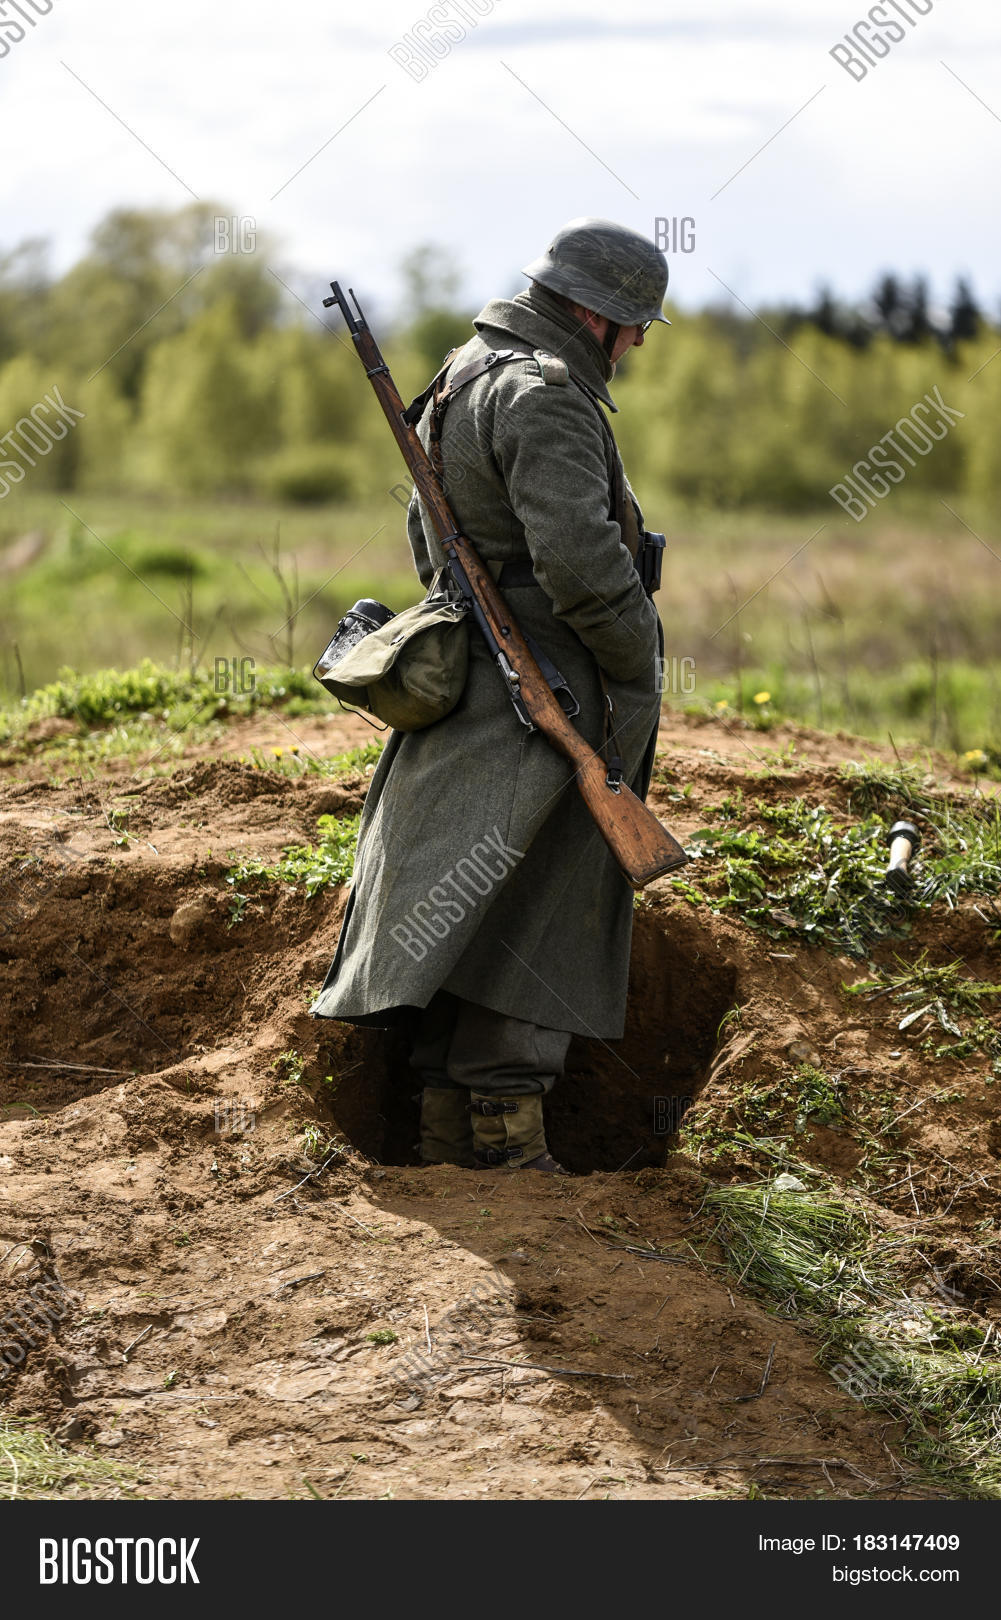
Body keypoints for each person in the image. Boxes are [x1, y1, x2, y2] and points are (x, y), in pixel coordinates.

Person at [312, 218, 670, 1172]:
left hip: (488, 676)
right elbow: (582, 564)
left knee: (472, 910)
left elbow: (434, 547)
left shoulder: (463, 373)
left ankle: (441, 1136)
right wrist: (637, 660)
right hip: (554, 683)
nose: (637, 342)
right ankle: (507, 1156)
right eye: (635, 324)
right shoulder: (542, 395)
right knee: (545, 911)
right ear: (594, 315)